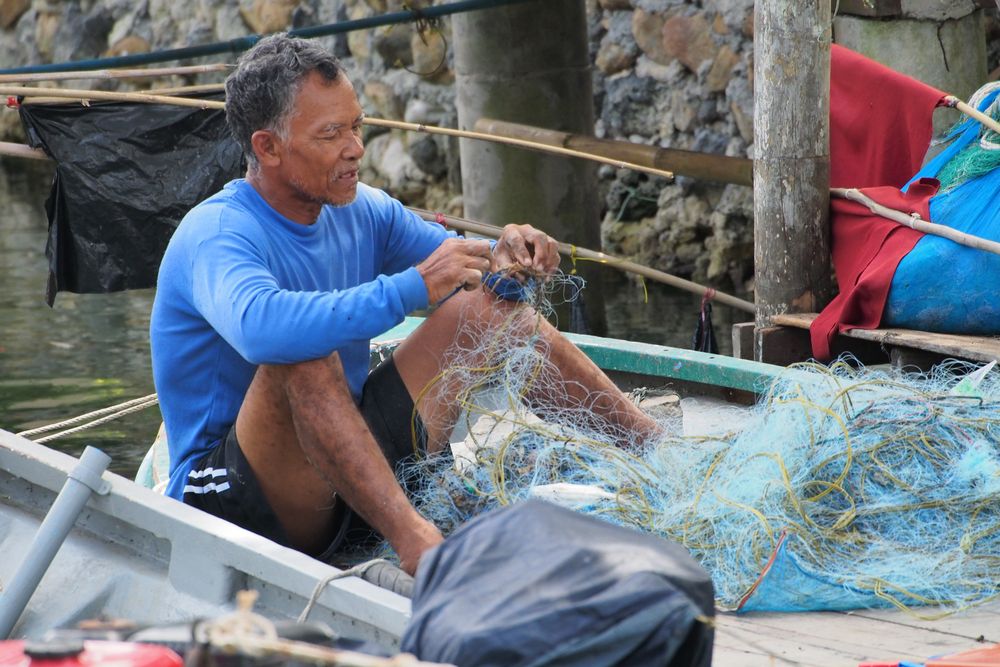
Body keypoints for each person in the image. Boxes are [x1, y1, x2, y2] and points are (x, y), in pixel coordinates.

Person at [150, 33, 659, 575]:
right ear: (268, 147)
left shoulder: (362, 209)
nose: (355, 148)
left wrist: (509, 254)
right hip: (238, 498)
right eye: (331, 134)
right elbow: (263, 332)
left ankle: (654, 450)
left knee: (493, 313)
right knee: (300, 353)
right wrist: (414, 286)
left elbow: (461, 264)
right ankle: (418, 544)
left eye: (357, 126)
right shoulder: (216, 232)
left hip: (349, 467)